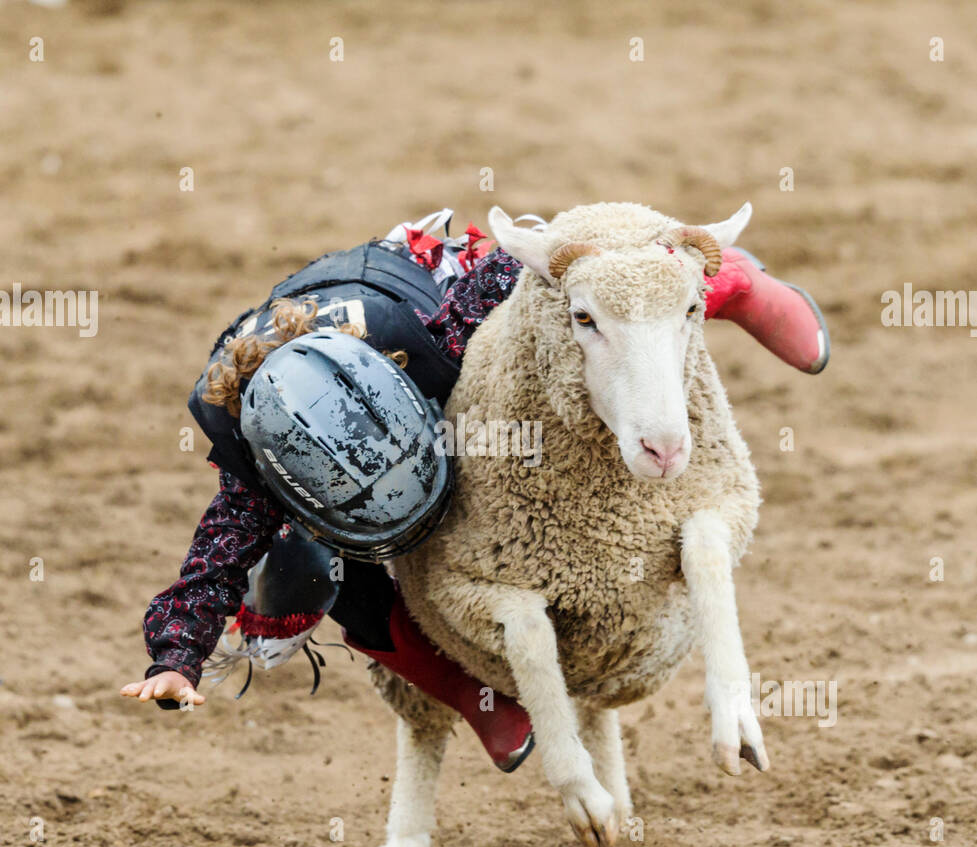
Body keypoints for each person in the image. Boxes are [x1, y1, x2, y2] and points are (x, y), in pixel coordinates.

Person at [120, 209, 829, 771]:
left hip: (404, 302)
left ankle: (736, 283)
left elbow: (547, 272)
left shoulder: (441, 333)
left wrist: (603, 267)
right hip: (321, 442)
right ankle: (465, 691)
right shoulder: (257, 466)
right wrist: (174, 660)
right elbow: (213, 564)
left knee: (613, 287)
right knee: (313, 577)